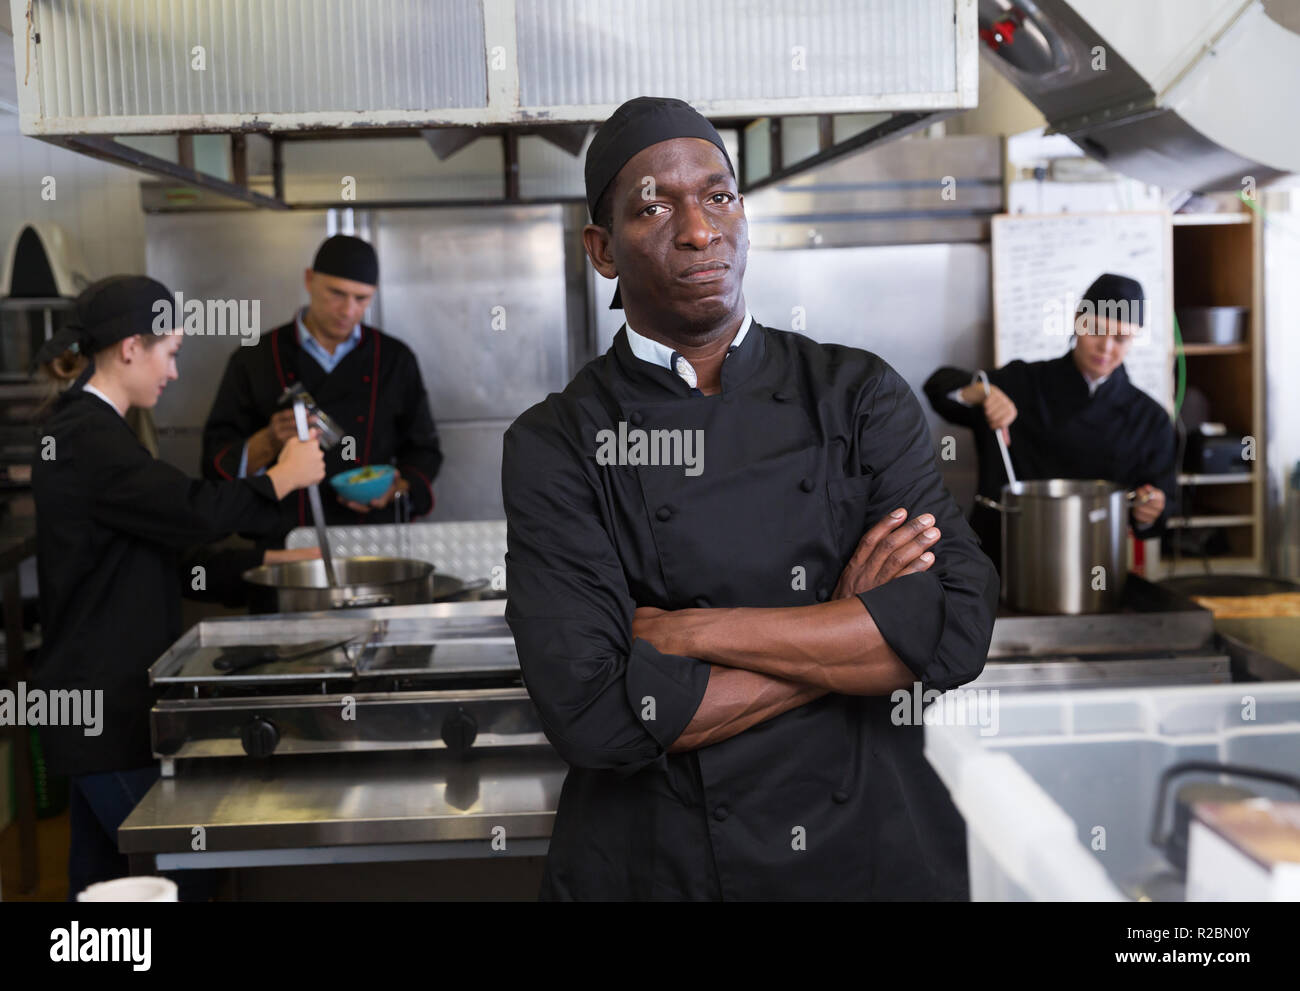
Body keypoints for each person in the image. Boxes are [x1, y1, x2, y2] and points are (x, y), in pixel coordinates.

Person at [502, 96, 999, 901]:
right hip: (667, 866)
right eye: (654, 205)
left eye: (719, 195)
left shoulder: (857, 393)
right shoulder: (557, 441)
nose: (698, 230)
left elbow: (953, 627)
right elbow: (592, 710)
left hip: (865, 850)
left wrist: (695, 632)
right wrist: (847, 629)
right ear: (601, 249)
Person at [30, 276, 325, 898]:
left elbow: (163, 545)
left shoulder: (99, 428)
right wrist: (279, 479)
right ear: (130, 347)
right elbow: (189, 509)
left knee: (102, 883)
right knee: (182, 874)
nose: (172, 372)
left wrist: (265, 559)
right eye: (171, 353)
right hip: (100, 712)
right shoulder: (86, 435)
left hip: (103, 707)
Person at [923, 273, 1176, 571]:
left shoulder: (1149, 418)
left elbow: (1163, 506)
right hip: (1001, 557)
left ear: (1134, 337)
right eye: (1096, 330)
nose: (1106, 348)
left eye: (1120, 338)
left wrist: (1151, 509)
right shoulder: (1024, 383)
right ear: (1077, 321)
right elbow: (938, 387)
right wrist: (980, 392)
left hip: (1095, 563)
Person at [202, 235, 443, 542]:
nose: (347, 310)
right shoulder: (255, 357)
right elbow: (214, 462)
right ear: (309, 279)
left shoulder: (395, 359)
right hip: (282, 541)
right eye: (336, 293)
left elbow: (423, 450)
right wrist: (268, 442)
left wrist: (397, 489)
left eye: (361, 298)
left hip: (372, 538)